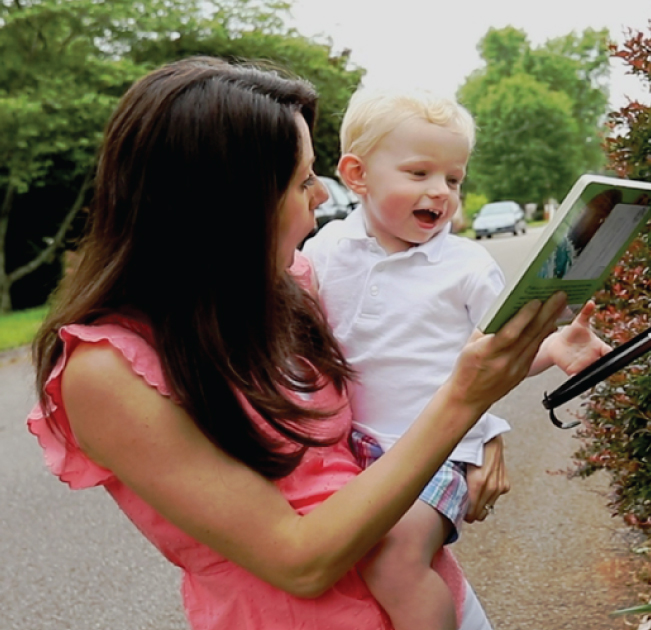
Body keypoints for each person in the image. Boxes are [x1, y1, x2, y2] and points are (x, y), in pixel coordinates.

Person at [26, 56, 567, 630]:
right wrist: (463, 402)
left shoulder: (290, 286)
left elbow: (402, 361)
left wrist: (474, 435)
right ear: (228, 202)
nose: (322, 195)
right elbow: (302, 561)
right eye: (303, 179)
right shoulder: (106, 372)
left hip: (439, 602)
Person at [301, 86, 611, 630]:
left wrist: (555, 344)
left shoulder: (466, 264)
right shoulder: (325, 250)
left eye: (453, 179)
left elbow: (501, 350)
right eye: (419, 174)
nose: (440, 192)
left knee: (394, 561)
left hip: (438, 451)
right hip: (348, 449)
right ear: (356, 176)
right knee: (337, 557)